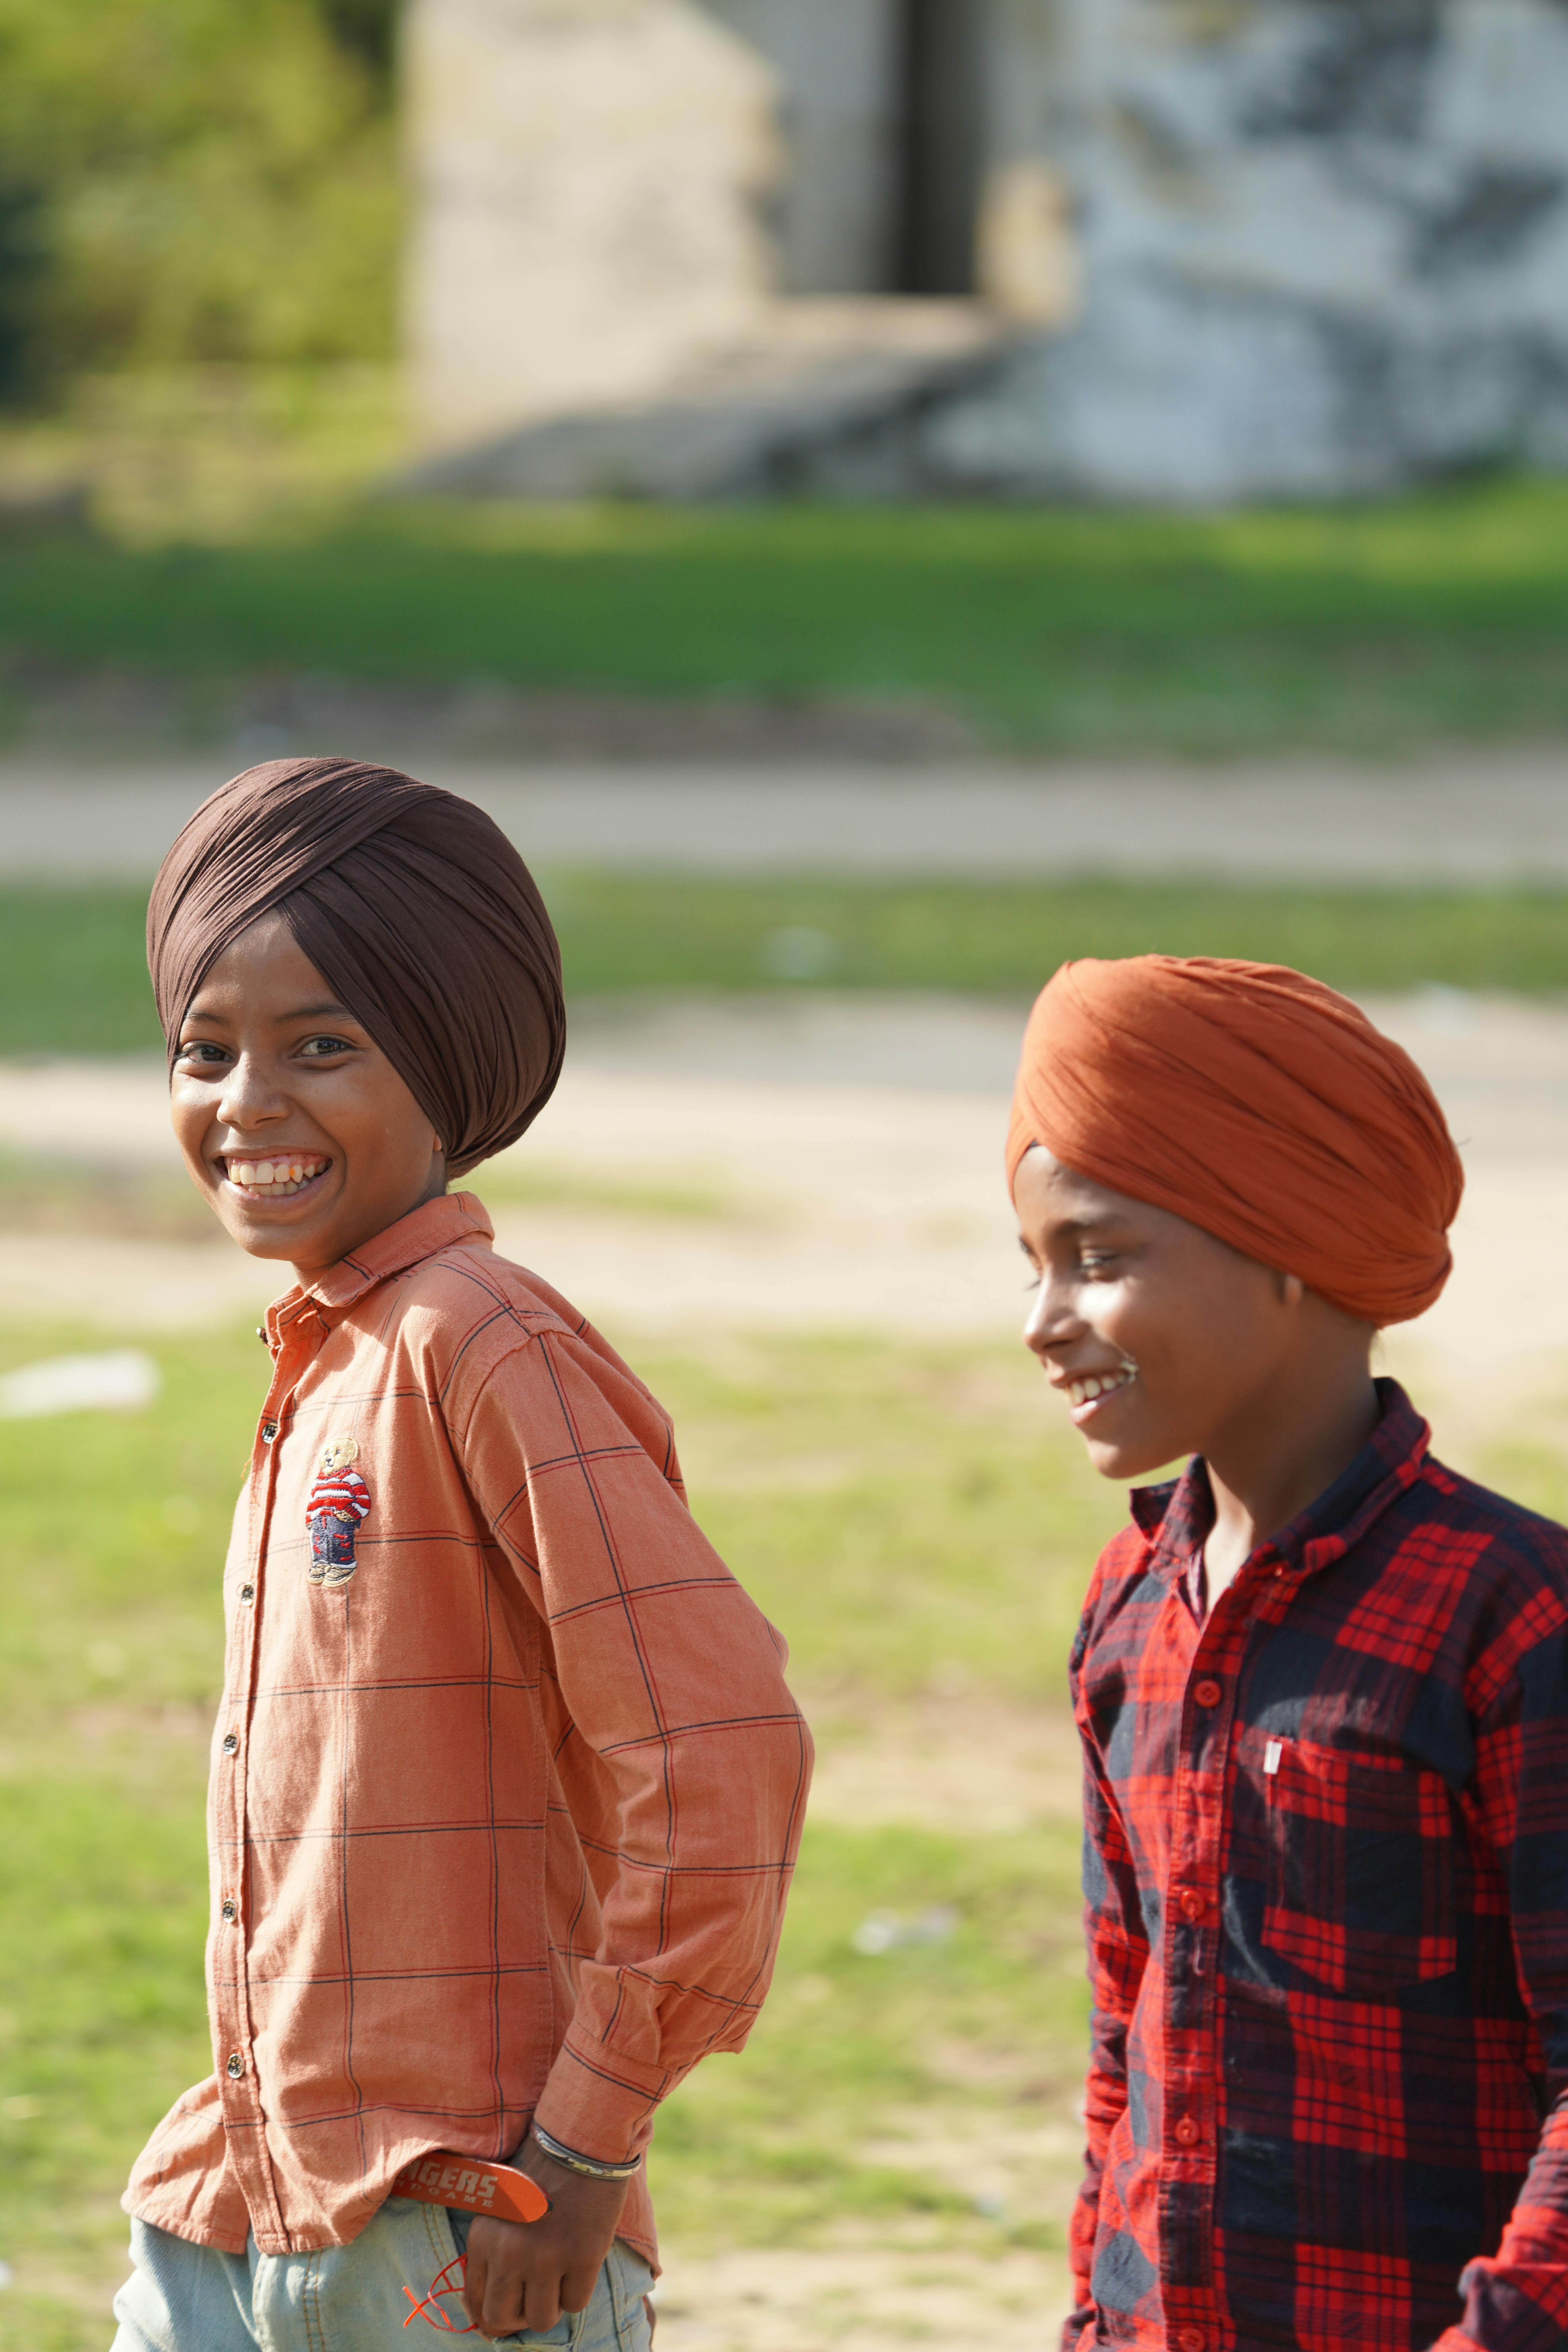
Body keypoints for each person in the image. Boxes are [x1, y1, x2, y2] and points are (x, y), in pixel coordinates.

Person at [115, 757, 812, 2351]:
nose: (245, 1105)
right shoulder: (325, 1353)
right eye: (204, 1051)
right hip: (243, 2204)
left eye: (321, 1049)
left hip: (454, 2231)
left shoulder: (480, 1342)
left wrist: (584, 2143)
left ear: (446, 1065)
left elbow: (721, 1745)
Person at [1009, 954, 1568, 2352]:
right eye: (1033, 1265)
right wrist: (1091, 2314)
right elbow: (1124, 2036)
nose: (1043, 1321)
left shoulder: (1508, 1612)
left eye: (1099, 1256)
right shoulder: (1129, 1604)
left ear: (1287, 1248)